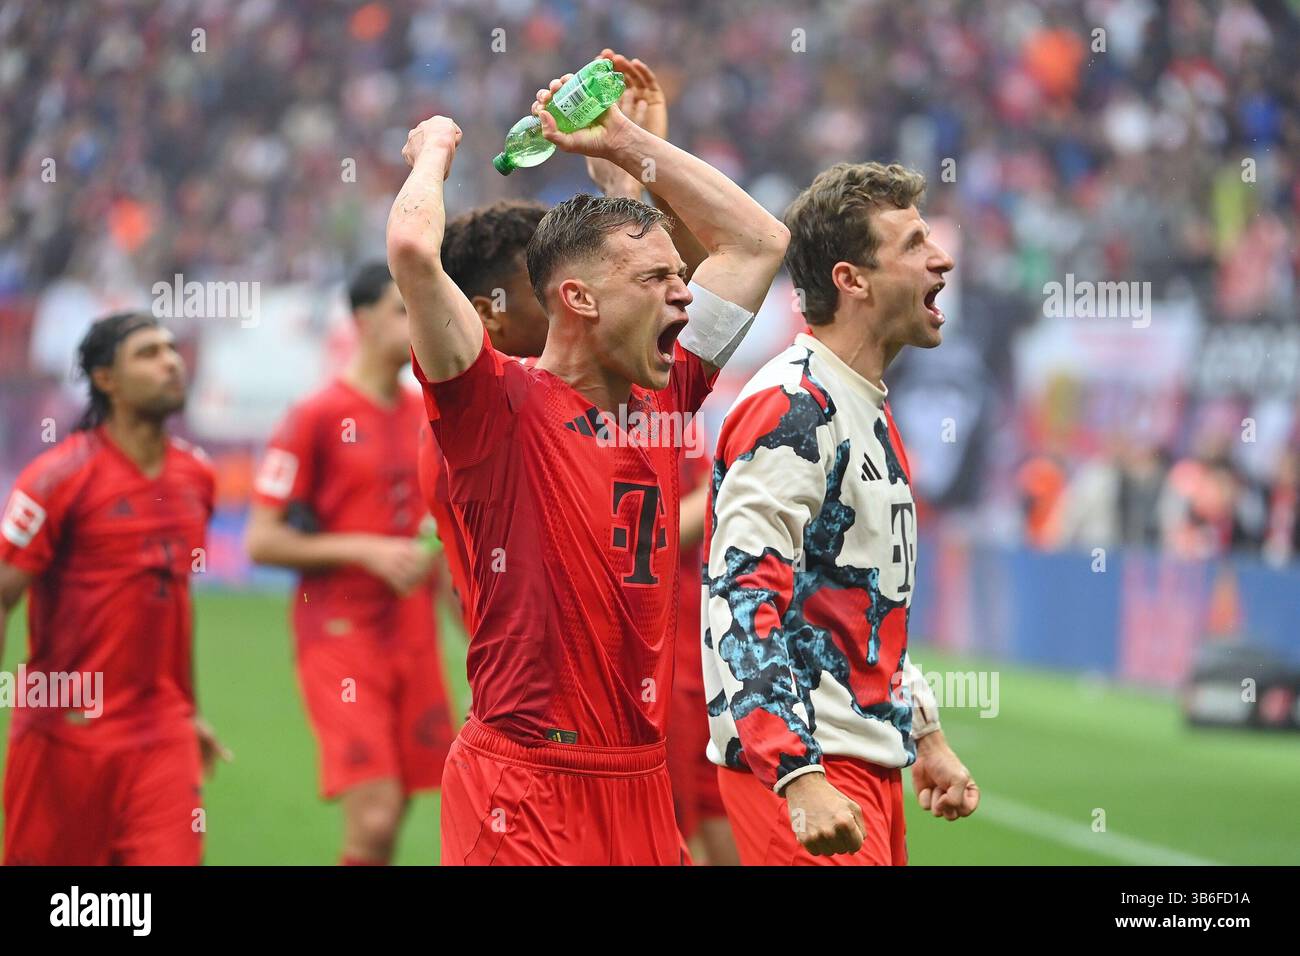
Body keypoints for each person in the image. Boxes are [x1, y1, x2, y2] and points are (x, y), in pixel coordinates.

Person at [386, 51, 788, 865]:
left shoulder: (666, 395)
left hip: (639, 778)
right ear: (577, 299)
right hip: (524, 783)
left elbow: (757, 241)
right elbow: (412, 252)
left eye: (684, 277)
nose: (686, 292)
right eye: (661, 279)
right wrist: (434, 147)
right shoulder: (496, 405)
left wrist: (626, 143)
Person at [702, 162, 979, 865]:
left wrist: (923, 734)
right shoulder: (794, 407)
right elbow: (740, 598)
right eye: (915, 244)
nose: (941, 259)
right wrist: (796, 773)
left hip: (863, 764)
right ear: (851, 279)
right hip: (812, 767)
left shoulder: (864, 405)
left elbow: (866, 601)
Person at [245, 263, 455, 866]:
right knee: (375, 812)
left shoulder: (427, 413)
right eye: (399, 309)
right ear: (362, 322)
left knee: (396, 817)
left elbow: (439, 530)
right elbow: (261, 541)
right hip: (340, 636)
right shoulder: (315, 416)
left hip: (412, 635)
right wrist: (362, 549)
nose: (415, 320)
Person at [0, 312, 227, 865]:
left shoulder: (197, 478)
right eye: (148, 353)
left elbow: (170, 604)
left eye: (172, 349)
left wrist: (186, 706)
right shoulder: (57, 479)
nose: (171, 361)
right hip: (65, 736)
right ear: (107, 380)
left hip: (162, 736)